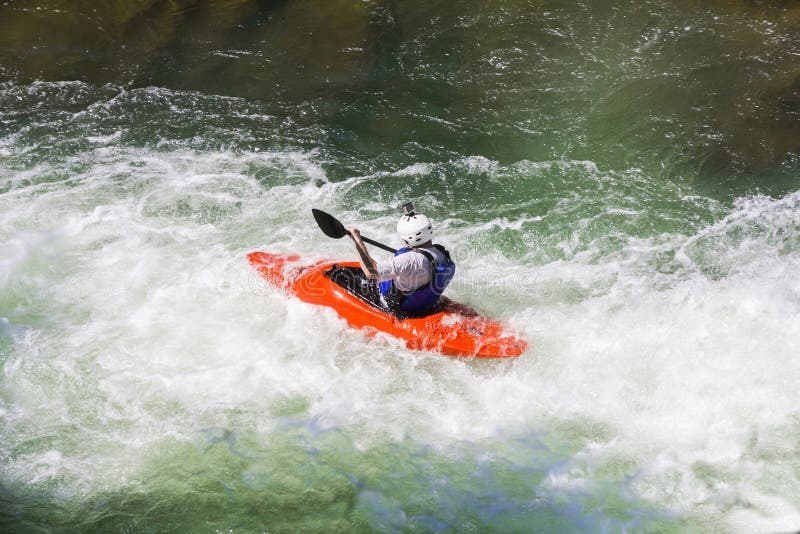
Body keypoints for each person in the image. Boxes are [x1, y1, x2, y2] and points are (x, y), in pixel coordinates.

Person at [348, 202, 455, 314]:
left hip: (399, 306)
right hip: (427, 301)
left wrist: (357, 240)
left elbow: (371, 272)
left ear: (408, 240)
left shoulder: (408, 260)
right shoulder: (442, 254)